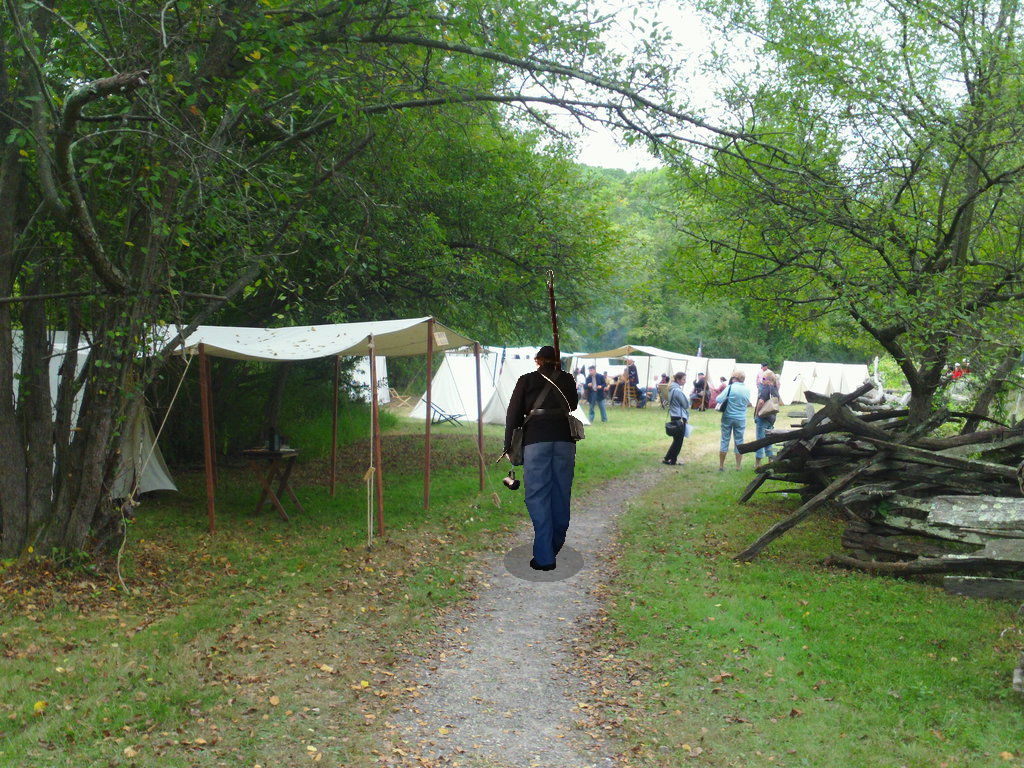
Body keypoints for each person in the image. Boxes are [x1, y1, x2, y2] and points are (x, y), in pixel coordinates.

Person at [504, 346, 579, 571]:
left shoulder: (526, 380)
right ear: (557, 361)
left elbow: (513, 414)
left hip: (536, 442)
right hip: (565, 441)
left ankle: (545, 556)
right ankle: (554, 544)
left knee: (537, 496)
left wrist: (508, 445)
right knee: (560, 494)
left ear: (538, 361)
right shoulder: (567, 379)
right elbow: (572, 405)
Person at [717, 369, 751, 471]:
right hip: (740, 418)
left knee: (725, 440)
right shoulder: (747, 389)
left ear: (734, 378)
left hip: (728, 417)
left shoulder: (730, 387)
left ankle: (721, 466)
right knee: (739, 441)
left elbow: (718, 399)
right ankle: (738, 466)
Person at [754, 370, 780, 469]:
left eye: (763, 378)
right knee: (769, 440)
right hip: (772, 418)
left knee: (760, 440)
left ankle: (758, 463)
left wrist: (757, 414)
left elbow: (761, 402)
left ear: (768, 380)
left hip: (763, 417)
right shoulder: (775, 389)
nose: (762, 380)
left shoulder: (766, 388)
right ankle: (770, 461)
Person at [663, 372, 689, 465]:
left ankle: (669, 459)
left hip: (674, 415)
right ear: (678, 380)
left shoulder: (671, 389)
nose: (685, 381)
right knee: (678, 441)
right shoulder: (677, 390)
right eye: (683, 379)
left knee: (676, 440)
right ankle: (671, 460)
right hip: (680, 417)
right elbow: (686, 404)